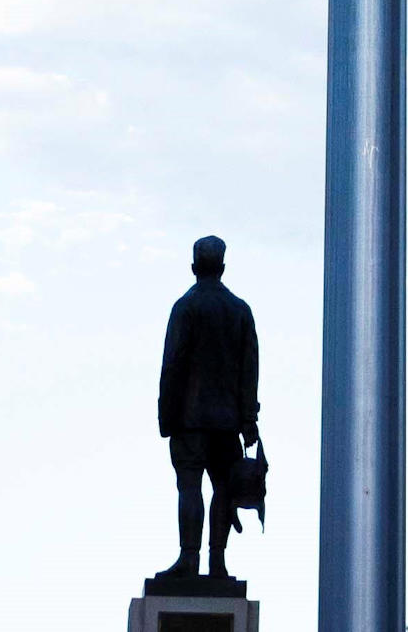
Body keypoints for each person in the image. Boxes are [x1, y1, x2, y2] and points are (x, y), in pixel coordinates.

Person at [153, 234, 262, 594]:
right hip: (227, 423)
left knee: (190, 487)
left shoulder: (185, 308)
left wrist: (165, 417)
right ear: (223, 267)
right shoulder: (240, 311)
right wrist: (248, 420)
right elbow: (250, 370)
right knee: (222, 489)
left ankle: (189, 557)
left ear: (194, 267)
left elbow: (172, 366)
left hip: (190, 420)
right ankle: (217, 560)